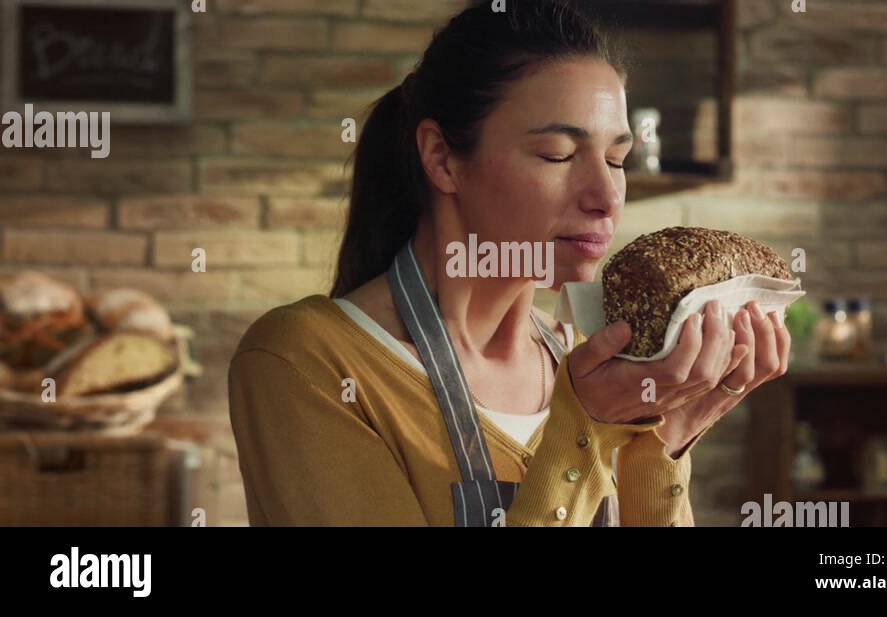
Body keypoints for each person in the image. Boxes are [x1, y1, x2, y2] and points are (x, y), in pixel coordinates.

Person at [228, 0, 790, 526]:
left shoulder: (590, 357)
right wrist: (585, 427)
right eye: (559, 155)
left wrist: (671, 434)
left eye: (618, 159)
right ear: (443, 158)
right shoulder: (305, 361)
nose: (607, 196)